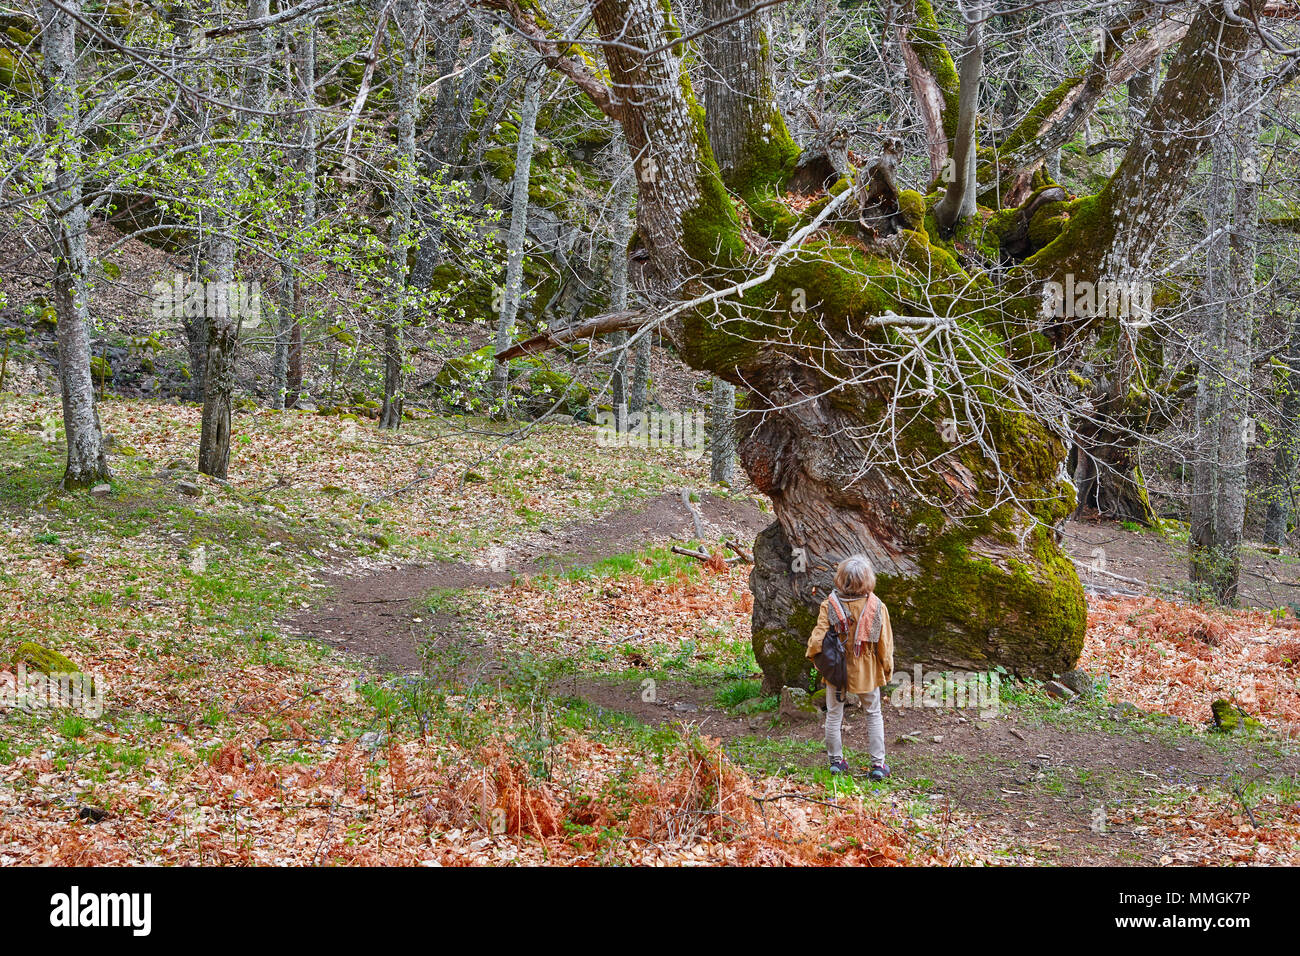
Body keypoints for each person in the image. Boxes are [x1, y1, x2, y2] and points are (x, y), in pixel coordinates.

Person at [805, 555, 894, 780]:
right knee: (873, 714)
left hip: (837, 669)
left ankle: (836, 762)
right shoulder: (876, 606)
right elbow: (884, 642)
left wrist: (815, 659)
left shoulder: (829, 604)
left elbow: (817, 639)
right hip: (867, 669)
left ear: (841, 578)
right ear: (867, 579)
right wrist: (887, 667)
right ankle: (878, 765)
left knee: (834, 715)